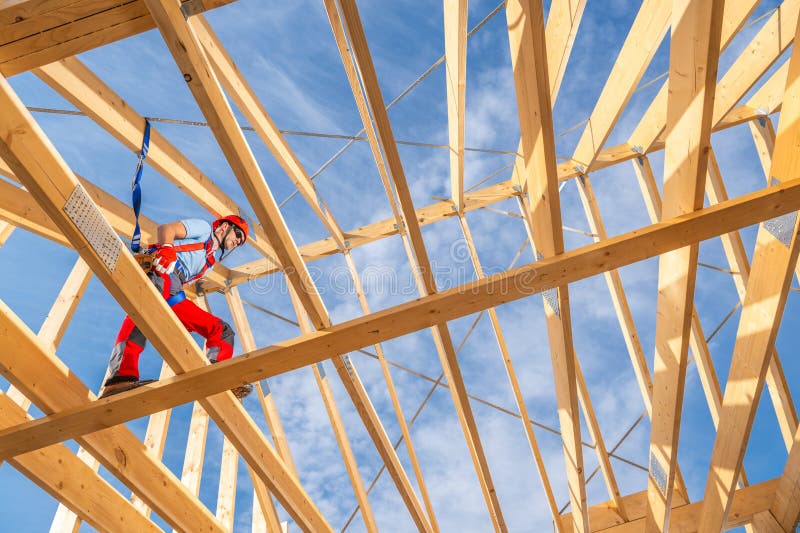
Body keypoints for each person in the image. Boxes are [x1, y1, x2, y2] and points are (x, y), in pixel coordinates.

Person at [100, 215, 253, 399]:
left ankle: (216, 374)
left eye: (241, 242)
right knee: (145, 310)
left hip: (174, 288)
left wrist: (182, 321)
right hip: (163, 268)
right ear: (225, 226)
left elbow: (179, 283)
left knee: (222, 330)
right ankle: (120, 377)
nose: (238, 241)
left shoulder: (211, 262)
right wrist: (167, 248)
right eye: (238, 235)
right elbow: (166, 229)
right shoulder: (204, 229)